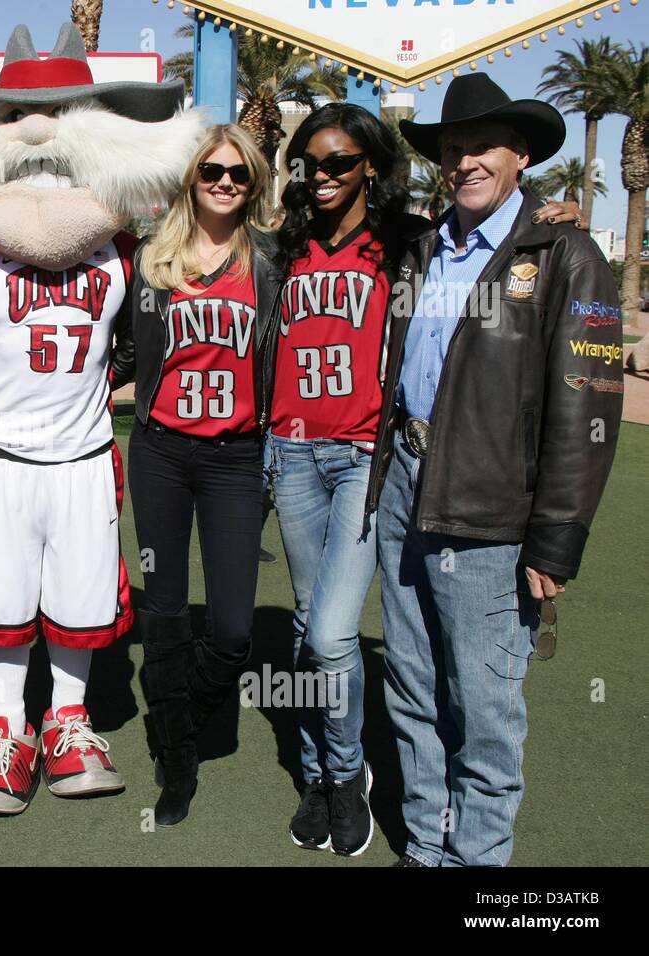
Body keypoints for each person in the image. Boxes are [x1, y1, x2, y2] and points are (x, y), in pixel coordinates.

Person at [0, 22, 204, 815]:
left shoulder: (127, 247)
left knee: (79, 599)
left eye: (63, 110)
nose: (39, 134)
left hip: (82, 454)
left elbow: (148, 335)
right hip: (3, 455)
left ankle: (68, 721)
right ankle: (7, 729)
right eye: (17, 116)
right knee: (1, 601)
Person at [369, 74, 622, 866]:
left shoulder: (566, 253)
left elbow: (592, 408)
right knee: (411, 689)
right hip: (405, 485)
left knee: (484, 706)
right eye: (452, 148)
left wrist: (558, 535)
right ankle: (426, 845)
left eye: (483, 145)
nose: (465, 160)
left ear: (520, 155)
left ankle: (477, 863)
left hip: (490, 509)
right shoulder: (419, 244)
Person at [267, 104, 423, 855]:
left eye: (339, 162)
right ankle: (317, 773)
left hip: (363, 457)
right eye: (312, 163)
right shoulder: (286, 244)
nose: (323, 176)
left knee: (331, 634)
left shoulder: (402, 243)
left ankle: (347, 769)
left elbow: (484, 249)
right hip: (291, 454)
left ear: (370, 166)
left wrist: (552, 219)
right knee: (304, 624)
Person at [124, 123, 282, 827]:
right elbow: (122, 353)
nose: (224, 182)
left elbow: (376, 235)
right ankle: (177, 755)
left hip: (235, 458)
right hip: (159, 450)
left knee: (231, 627)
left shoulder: (275, 259)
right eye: (212, 170)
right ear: (192, 177)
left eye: (239, 173)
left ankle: (177, 706)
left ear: (254, 182)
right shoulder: (151, 258)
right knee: (163, 606)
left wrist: (547, 214)